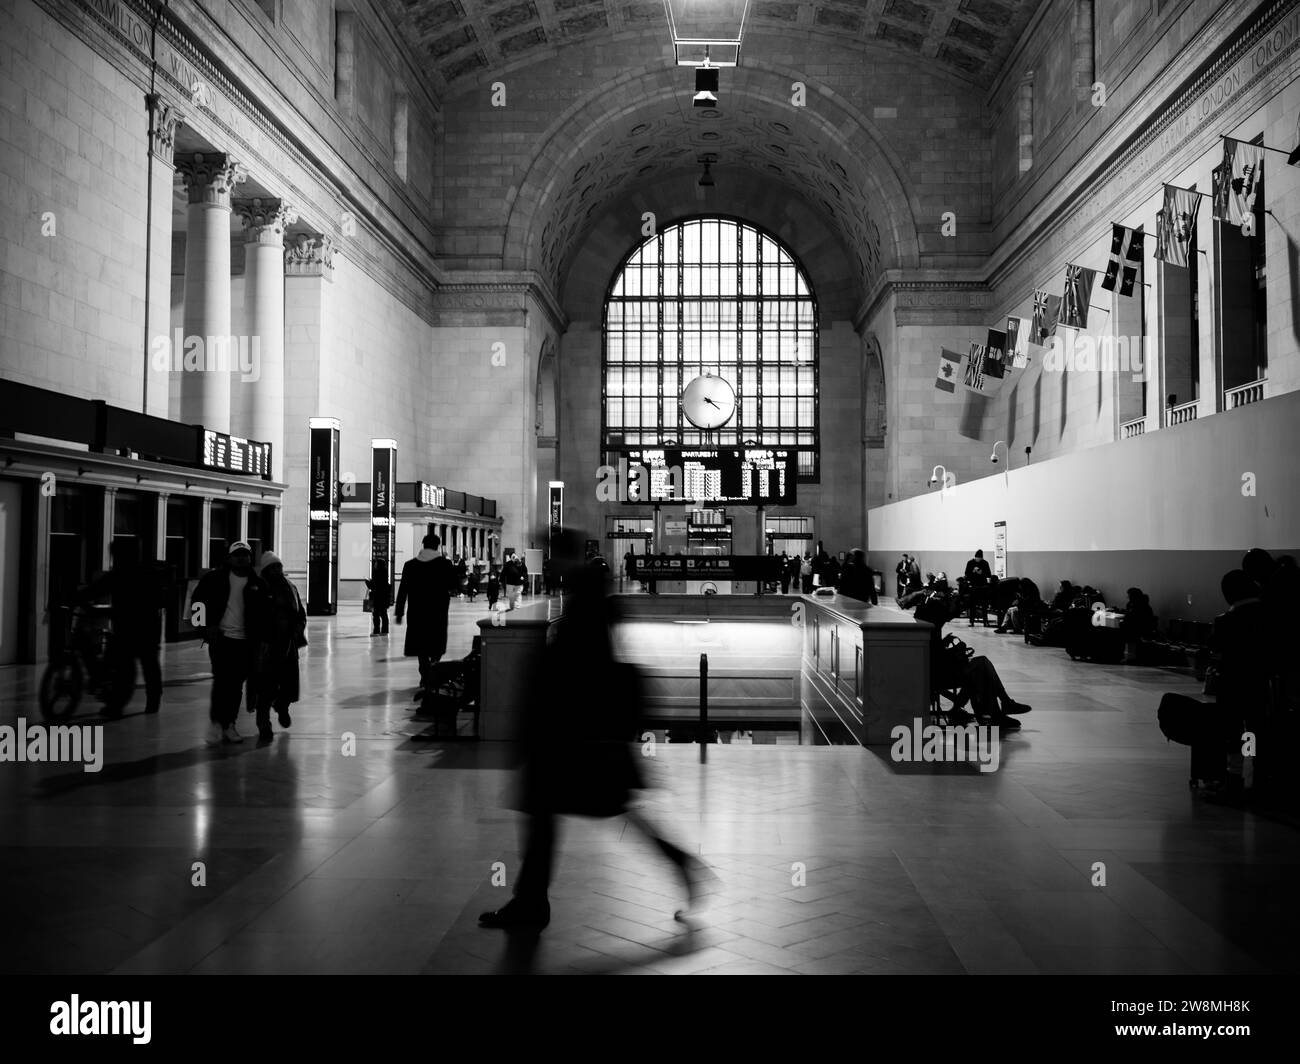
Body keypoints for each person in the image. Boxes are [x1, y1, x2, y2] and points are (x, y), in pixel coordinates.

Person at [478, 530, 713, 931]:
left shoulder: (585, 595)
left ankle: (533, 903)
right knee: (574, 812)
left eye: (553, 554)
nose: (547, 561)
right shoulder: (590, 592)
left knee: (556, 811)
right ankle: (532, 901)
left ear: (568, 556)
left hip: (577, 734)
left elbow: (577, 667)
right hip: (584, 733)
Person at [912, 586, 1031, 730]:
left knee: (981, 667)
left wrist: (947, 646)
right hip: (939, 675)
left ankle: (995, 711)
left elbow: (935, 653)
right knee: (981, 666)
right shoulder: (931, 625)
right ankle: (999, 709)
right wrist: (954, 652)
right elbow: (938, 658)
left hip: (934, 671)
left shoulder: (925, 627)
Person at [191, 541, 270, 744]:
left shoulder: (258, 583)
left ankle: (230, 724)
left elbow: (264, 615)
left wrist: (263, 640)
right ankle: (217, 722)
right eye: (237, 555)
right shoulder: (214, 578)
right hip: (222, 640)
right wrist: (205, 628)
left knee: (235, 686)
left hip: (246, 643)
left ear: (250, 558)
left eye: (245, 555)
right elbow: (197, 602)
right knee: (221, 682)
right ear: (230, 558)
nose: (241, 558)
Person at [82, 539, 168, 716]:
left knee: (131, 666)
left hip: (136, 628)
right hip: (144, 627)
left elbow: (95, 590)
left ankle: (122, 703)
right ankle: (150, 700)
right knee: (145, 664)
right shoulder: (144, 573)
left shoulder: (121, 574)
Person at [395, 533, 459, 697]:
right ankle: (433, 669)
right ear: (438, 546)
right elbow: (454, 585)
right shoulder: (445, 564)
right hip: (437, 612)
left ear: (423, 545)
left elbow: (403, 590)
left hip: (417, 612)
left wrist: (399, 611)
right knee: (436, 644)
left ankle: (425, 674)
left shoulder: (410, 565)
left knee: (421, 646)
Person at [252, 552, 306, 742]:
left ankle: (282, 705)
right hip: (267, 645)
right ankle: (264, 724)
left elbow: (300, 612)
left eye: (278, 566)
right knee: (265, 687)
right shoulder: (259, 588)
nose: (276, 570)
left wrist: (299, 628)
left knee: (289, 685)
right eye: (272, 567)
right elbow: (253, 615)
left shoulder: (290, 587)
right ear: (266, 570)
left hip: (288, 644)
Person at [365, 560, 391, 636]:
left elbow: (373, 586)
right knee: (384, 614)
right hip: (384, 596)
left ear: (378, 565)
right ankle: (385, 631)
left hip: (377, 596)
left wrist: (367, 582)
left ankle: (376, 630)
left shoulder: (376, 572)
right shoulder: (385, 573)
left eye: (376, 563)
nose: (375, 565)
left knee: (376, 614)